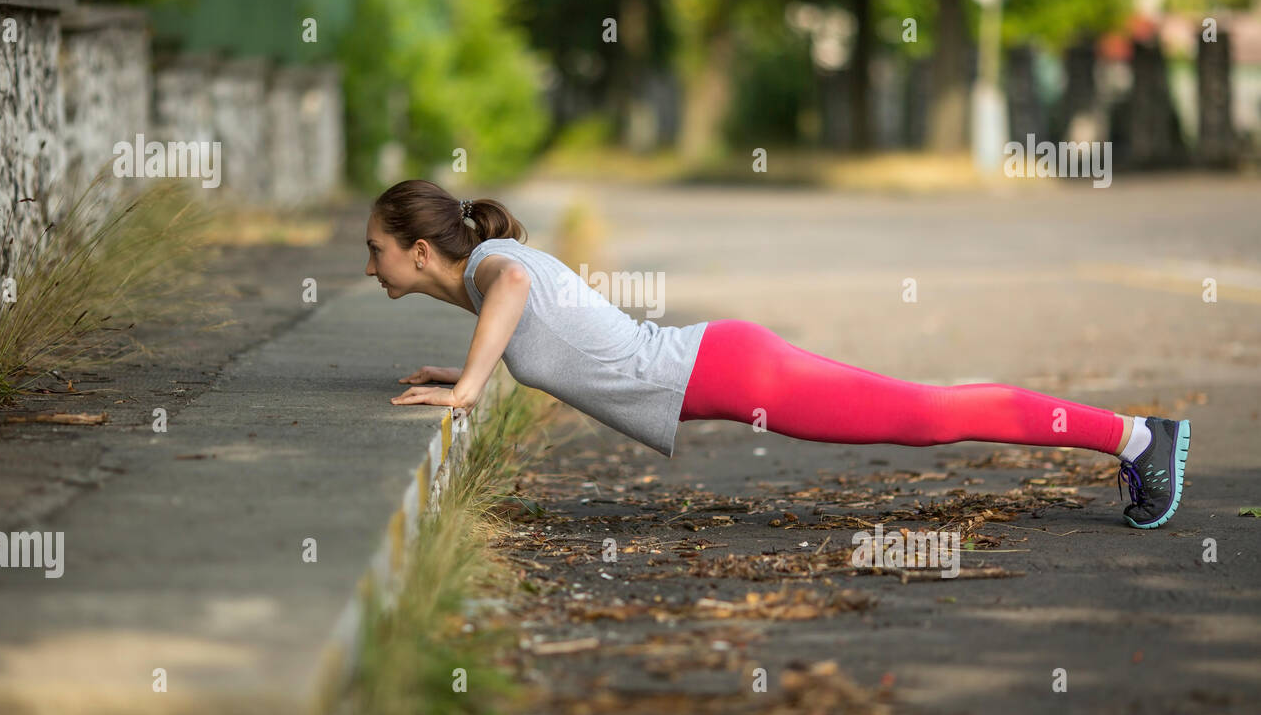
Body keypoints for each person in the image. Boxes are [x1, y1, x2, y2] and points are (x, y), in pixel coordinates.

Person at [367, 179, 1190, 530]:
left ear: (415, 250)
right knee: (925, 411)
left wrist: (471, 384)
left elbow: (513, 291)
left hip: (732, 370)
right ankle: (1132, 435)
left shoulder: (488, 269)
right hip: (725, 362)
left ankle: (1134, 437)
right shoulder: (480, 280)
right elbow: (524, 314)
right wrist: (467, 367)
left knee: (929, 415)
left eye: (375, 251)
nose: (367, 267)